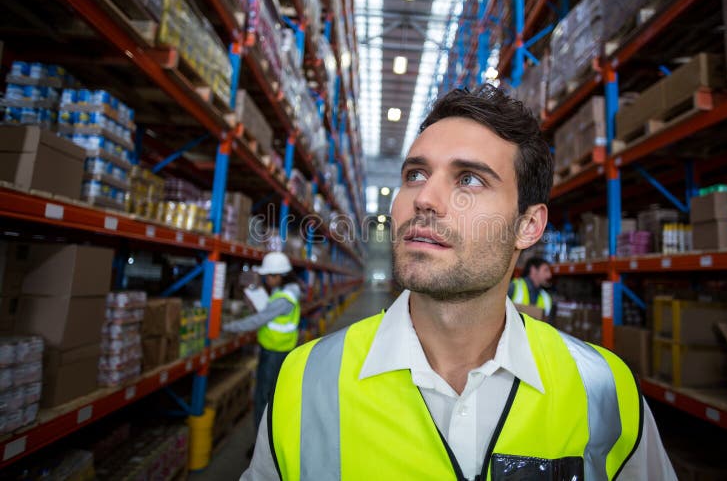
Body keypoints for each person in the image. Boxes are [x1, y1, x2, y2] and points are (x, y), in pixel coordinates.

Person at [244, 85, 676, 480]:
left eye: (469, 179)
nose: (425, 199)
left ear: (528, 225)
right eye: (415, 174)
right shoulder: (305, 381)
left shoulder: (603, 390)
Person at [222, 251, 301, 436]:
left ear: (279, 276)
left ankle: (262, 446)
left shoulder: (283, 299)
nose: (266, 281)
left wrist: (229, 326)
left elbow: (258, 320)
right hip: (281, 350)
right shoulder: (288, 291)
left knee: (263, 399)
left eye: (268, 277)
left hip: (274, 352)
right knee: (271, 396)